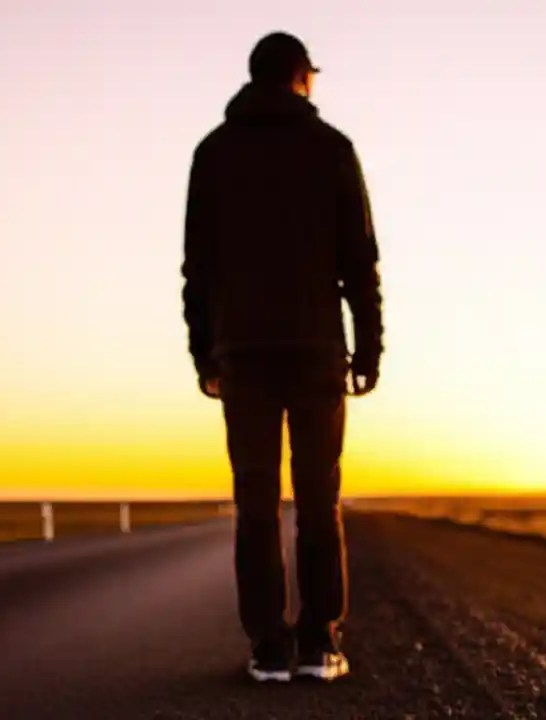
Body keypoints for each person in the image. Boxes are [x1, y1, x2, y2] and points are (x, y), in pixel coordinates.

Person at [181, 31, 383, 683]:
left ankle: (269, 647)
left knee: (257, 503)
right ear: (301, 77)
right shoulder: (331, 150)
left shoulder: (213, 154)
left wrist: (202, 352)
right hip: (317, 351)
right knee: (319, 500)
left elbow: (198, 270)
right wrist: (369, 347)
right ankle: (319, 644)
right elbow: (360, 264)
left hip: (242, 354)